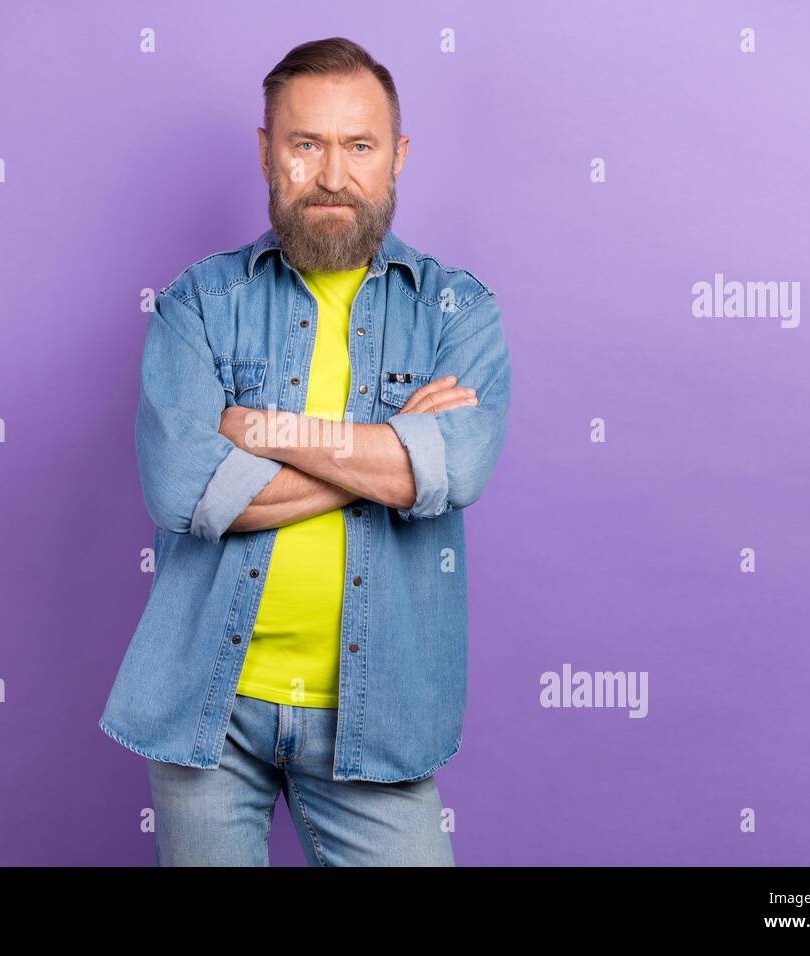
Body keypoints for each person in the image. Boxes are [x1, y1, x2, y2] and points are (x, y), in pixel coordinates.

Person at [99, 36, 511, 866]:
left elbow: (455, 469)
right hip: (208, 709)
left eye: (359, 146)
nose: (333, 174)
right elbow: (185, 488)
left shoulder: (458, 311)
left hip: (378, 712)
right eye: (305, 144)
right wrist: (390, 463)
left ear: (396, 156)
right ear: (266, 153)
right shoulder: (198, 303)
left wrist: (263, 428)